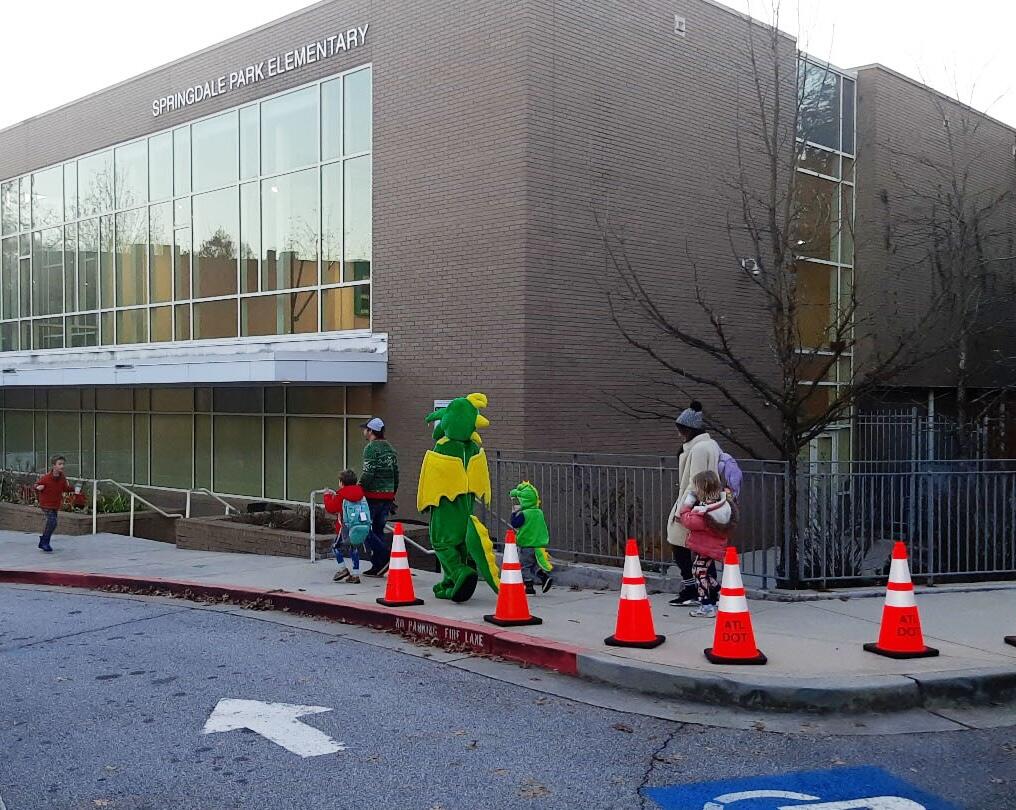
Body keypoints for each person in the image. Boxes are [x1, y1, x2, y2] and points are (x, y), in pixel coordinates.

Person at [666, 401, 721, 606]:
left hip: (695, 506)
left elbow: (695, 482)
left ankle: (693, 588)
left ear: (688, 429)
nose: (679, 434)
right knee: (703, 550)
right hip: (709, 504)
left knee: (679, 542)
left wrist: (684, 508)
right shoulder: (711, 445)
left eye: (681, 430)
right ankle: (708, 589)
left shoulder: (698, 449)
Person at [678, 470, 733, 618]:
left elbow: (688, 520)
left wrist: (687, 504)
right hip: (712, 546)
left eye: (696, 488)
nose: (695, 490)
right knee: (702, 572)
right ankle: (721, 594)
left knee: (698, 571)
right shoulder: (721, 505)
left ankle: (707, 605)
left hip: (706, 547)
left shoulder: (704, 512)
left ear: (703, 489)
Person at [359, 417, 399, 578]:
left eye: (365, 429)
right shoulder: (391, 448)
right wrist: (392, 493)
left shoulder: (370, 449)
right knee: (378, 530)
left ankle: (385, 555)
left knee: (363, 530)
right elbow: (396, 473)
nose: (364, 432)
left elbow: (369, 473)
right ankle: (378, 566)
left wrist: (359, 490)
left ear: (371, 431)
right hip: (388, 496)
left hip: (372, 496)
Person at [323, 470, 372, 584]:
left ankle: (343, 569)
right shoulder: (361, 493)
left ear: (341, 482)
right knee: (353, 548)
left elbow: (331, 508)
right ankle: (355, 575)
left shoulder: (341, 495)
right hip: (361, 525)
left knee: (336, 547)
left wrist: (327, 496)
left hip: (346, 526)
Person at [509, 480, 554, 595]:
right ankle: (544, 577)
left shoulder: (524, 514)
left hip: (526, 544)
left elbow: (515, 523)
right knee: (533, 565)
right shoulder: (538, 512)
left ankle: (529, 587)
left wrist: (514, 512)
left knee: (524, 566)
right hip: (538, 544)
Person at [34, 456, 77, 553]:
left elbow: (65, 488)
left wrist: (74, 488)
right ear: (54, 465)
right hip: (46, 504)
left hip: (55, 504)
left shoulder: (62, 477)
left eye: (63, 464)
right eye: (60, 464)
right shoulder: (46, 478)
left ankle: (43, 541)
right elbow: (36, 485)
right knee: (53, 522)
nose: (62, 466)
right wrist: (38, 487)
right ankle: (45, 542)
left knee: (51, 524)